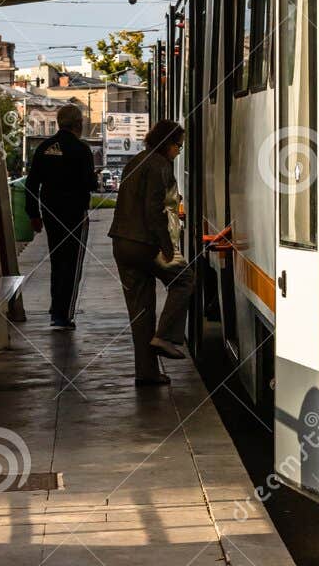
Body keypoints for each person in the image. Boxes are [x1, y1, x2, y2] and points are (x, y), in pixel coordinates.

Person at [109, 119, 194, 386]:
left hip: (122, 244)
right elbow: (154, 211)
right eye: (178, 146)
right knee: (185, 279)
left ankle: (146, 373)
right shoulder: (160, 166)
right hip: (146, 245)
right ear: (167, 144)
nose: (178, 151)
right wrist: (167, 248)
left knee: (140, 311)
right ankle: (166, 337)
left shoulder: (136, 161)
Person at [25, 102, 97, 329]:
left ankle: (56, 307)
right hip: (74, 214)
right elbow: (90, 184)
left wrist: (33, 214)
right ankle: (63, 314)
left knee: (57, 260)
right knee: (72, 263)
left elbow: (31, 184)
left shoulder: (45, 147)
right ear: (79, 124)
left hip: (50, 212)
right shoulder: (82, 149)